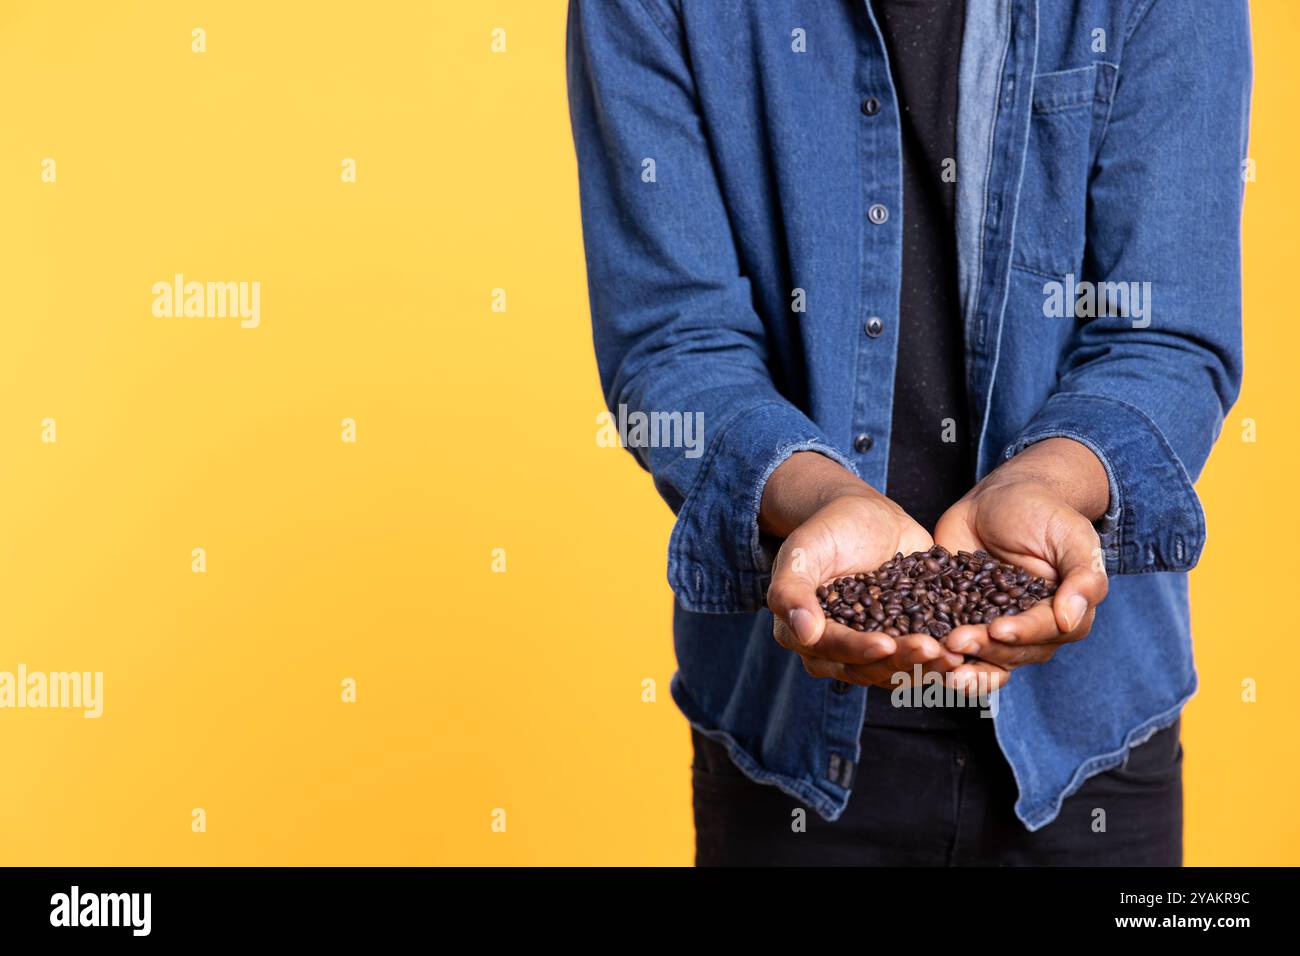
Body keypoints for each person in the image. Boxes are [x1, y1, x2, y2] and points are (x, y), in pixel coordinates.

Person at [566, 0, 1250, 865]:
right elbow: (671, 340)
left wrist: (1039, 486)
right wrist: (823, 497)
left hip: (1092, 740)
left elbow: (1165, 334)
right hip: (784, 743)